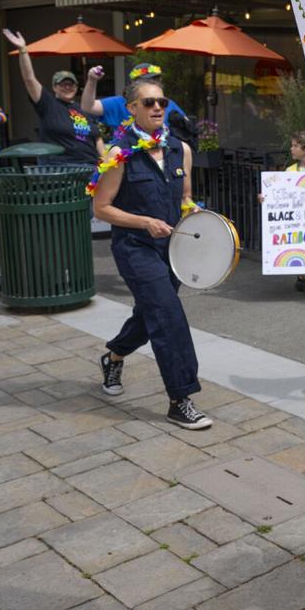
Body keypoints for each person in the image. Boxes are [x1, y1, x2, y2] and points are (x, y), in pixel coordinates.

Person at [90, 77, 213, 431]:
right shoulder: (118, 155)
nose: (158, 107)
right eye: (148, 102)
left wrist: (197, 214)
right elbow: (101, 208)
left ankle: (113, 356)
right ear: (131, 110)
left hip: (173, 249)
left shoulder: (180, 149)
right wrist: (144, 222)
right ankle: (181, 399)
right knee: (168, 314)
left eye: (161, 100)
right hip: (135, 248)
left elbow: (185, 197)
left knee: (150, 314)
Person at [1, 28, 102, 165]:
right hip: (61, 170)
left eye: (71, 84)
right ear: (54, 87)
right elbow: (29, 79)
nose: (67, 87)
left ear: (76, 87)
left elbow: (97, 138)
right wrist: (23, 51)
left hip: (90, 167)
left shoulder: (84, 108)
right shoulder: (48, 104)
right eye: (63, 84)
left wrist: (107, 163)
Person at [259, 130, 305, 299]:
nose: (292, 149)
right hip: (297, 218)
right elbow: (280, 193)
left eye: (296, 146)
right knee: (300, 246)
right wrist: (265, 198)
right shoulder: (290, 171)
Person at [81, 62, 194, 147]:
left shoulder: (166, 103)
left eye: (155, 80)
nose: (157, 107)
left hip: (161, 157)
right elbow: (88, 106)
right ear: (133, 84)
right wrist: (92, 80)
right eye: (145, 81)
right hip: (129, 160)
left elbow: (186, 128)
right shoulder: (119, 103)